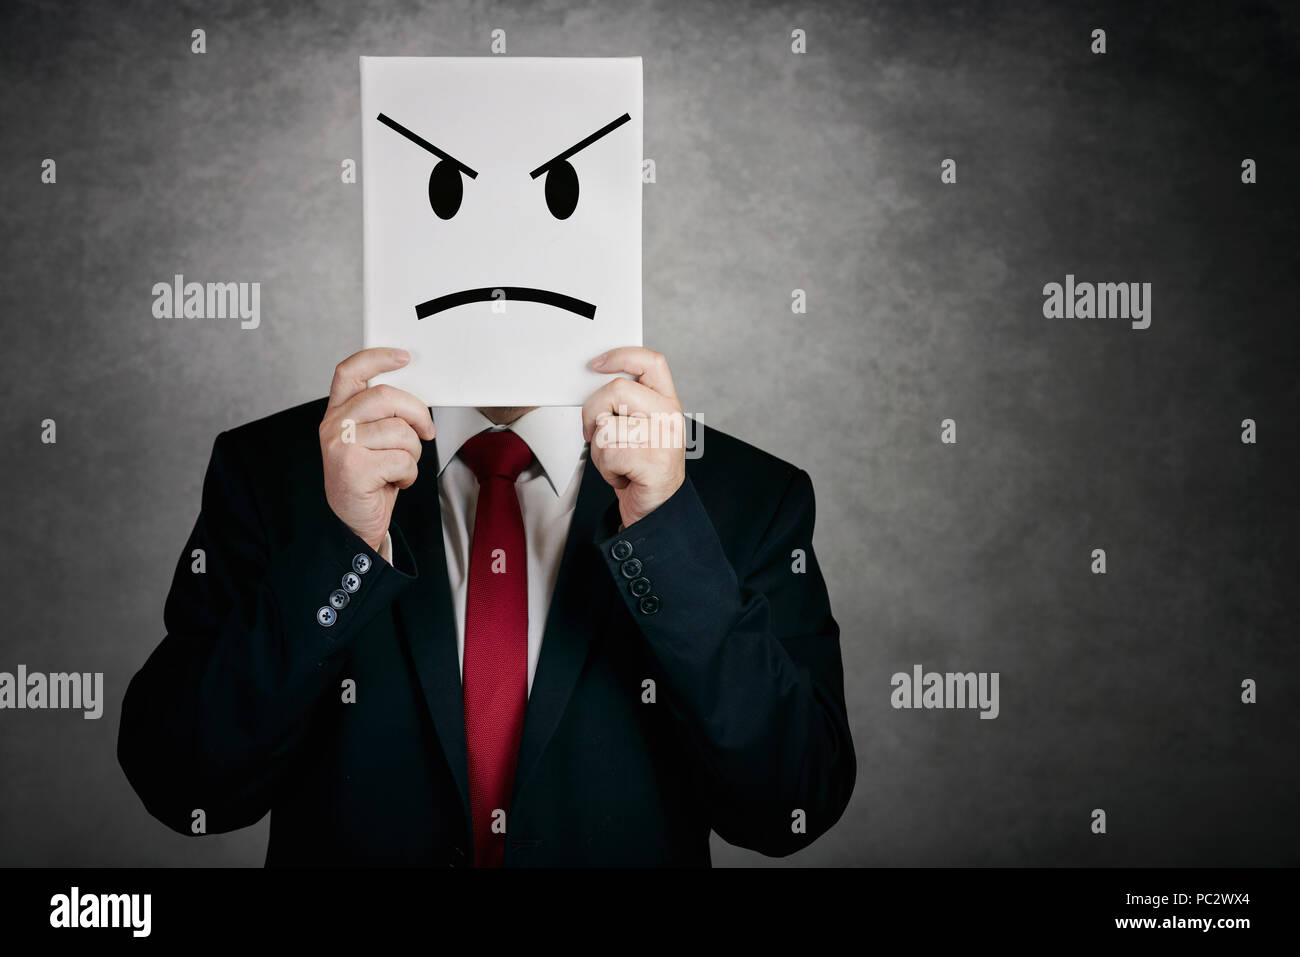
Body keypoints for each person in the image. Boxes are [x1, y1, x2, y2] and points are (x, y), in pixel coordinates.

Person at [118, 344, 856, 866]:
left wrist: (668, 533)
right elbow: (184, 784)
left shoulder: (742, 494)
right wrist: (341, 543)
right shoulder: (274, 471)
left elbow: (794, 802)